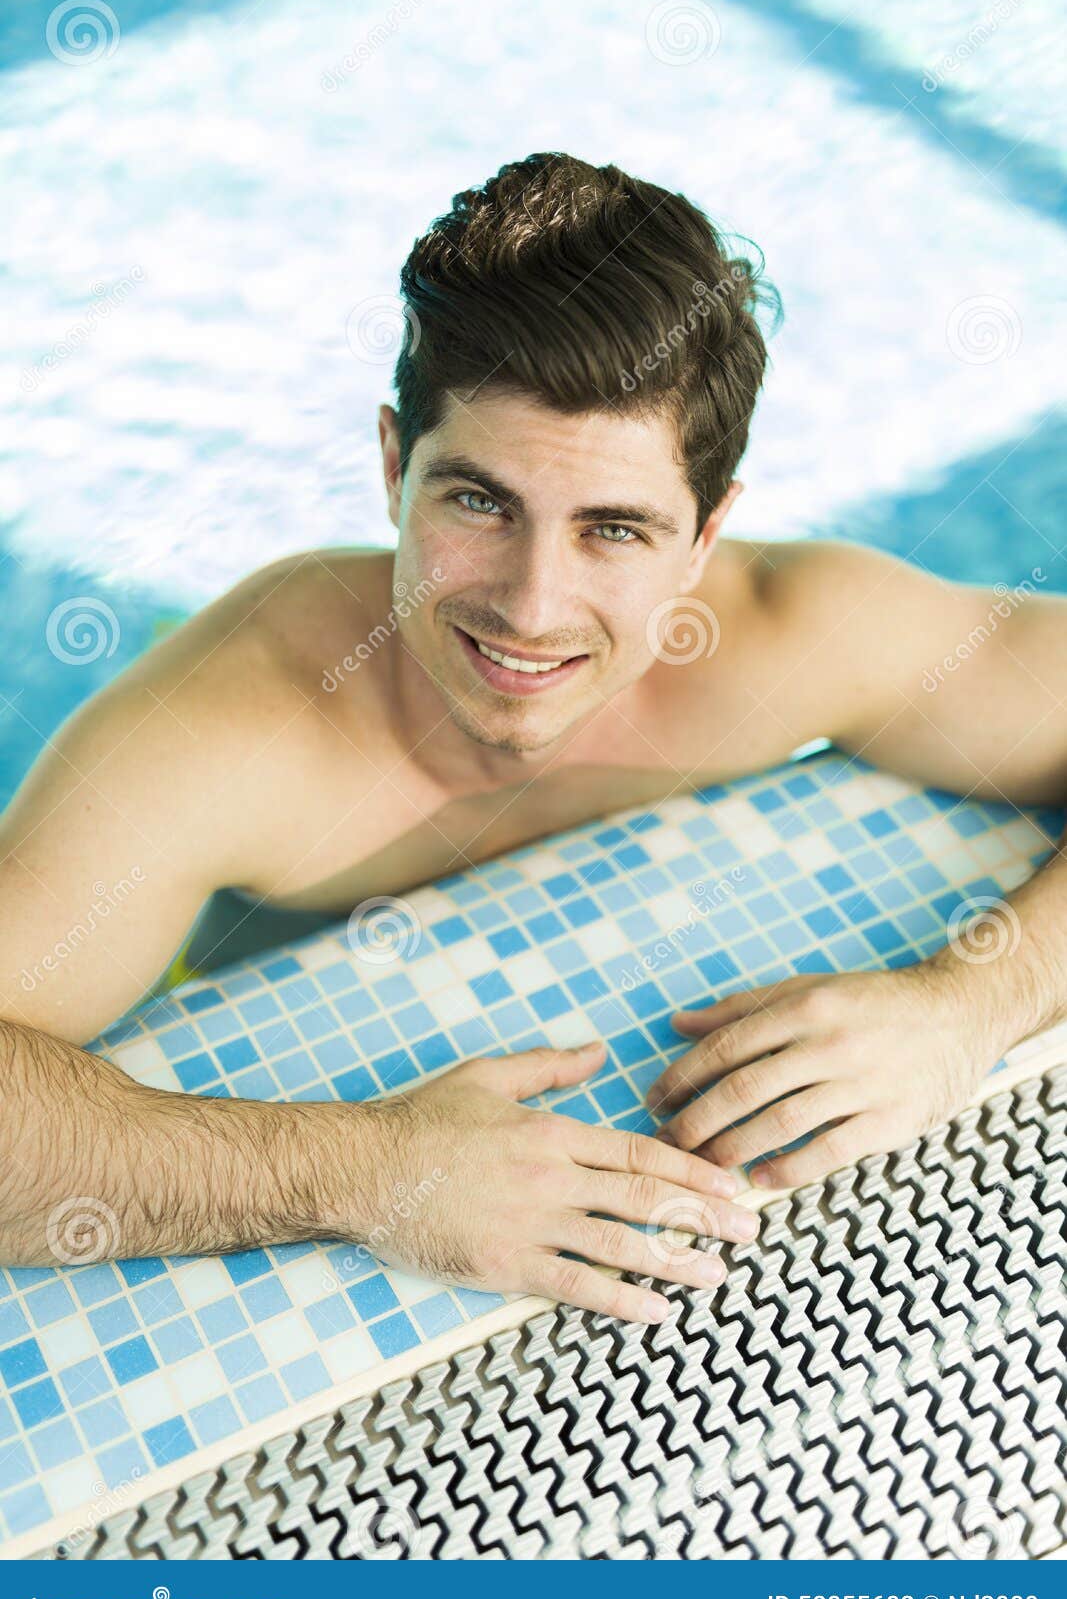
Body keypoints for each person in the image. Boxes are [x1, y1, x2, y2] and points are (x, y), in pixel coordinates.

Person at [3, 152, 1064, 1325]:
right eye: (478, 502)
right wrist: (363, 1171)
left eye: (612, 528)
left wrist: (969, 1005)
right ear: (393, 468)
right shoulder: (221, 734)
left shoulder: (791, 637)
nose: (530, 607)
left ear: (706, 536)